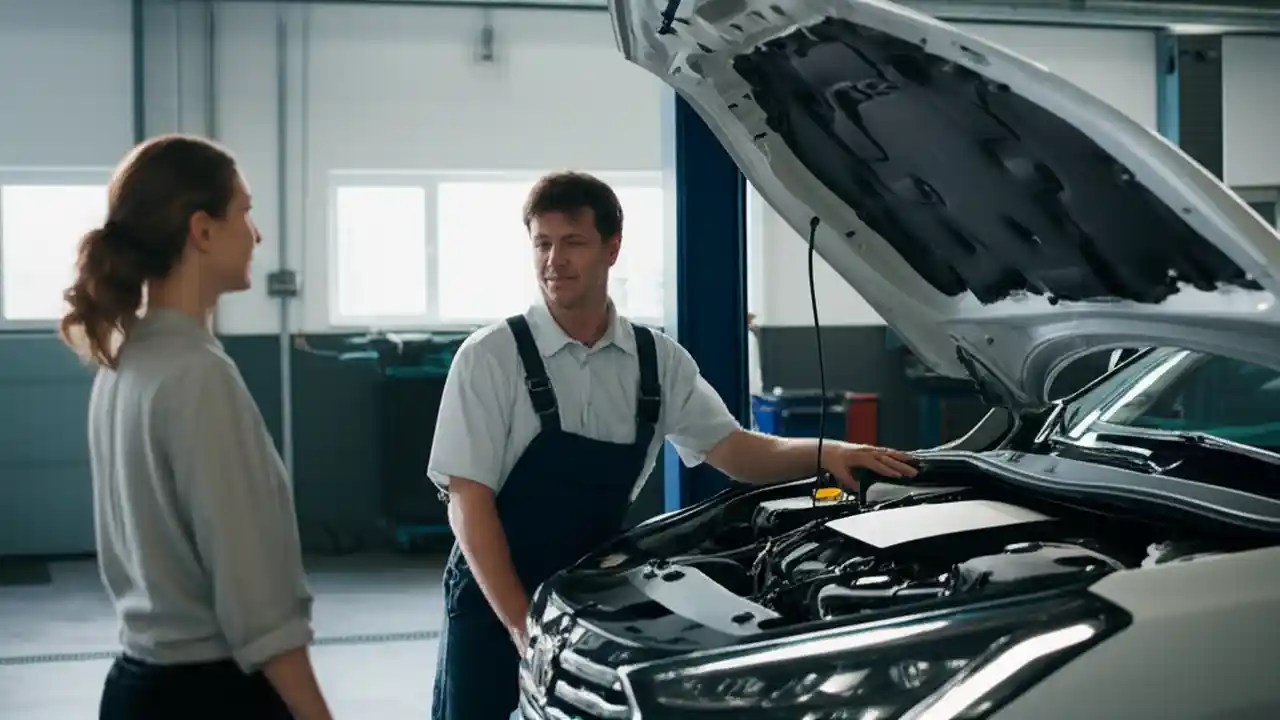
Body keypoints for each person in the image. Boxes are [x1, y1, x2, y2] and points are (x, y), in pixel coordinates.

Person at [425, 171, 919, 719]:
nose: (553, 260)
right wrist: (523, 628)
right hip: (494, 594)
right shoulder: (490, 357)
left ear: (612, 248)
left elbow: (735, 450)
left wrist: (830, 453)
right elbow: (469, 503)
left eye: (573, 243)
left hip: (586, 592)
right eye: (542, 243)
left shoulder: (657, 361)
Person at [59, 134, 332, 720]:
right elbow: (255, 596)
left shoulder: (124, 364)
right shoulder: (198, 376)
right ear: (202, 230)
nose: (256, 234)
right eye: (245, 212)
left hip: (136, 687)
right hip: (209, 698)